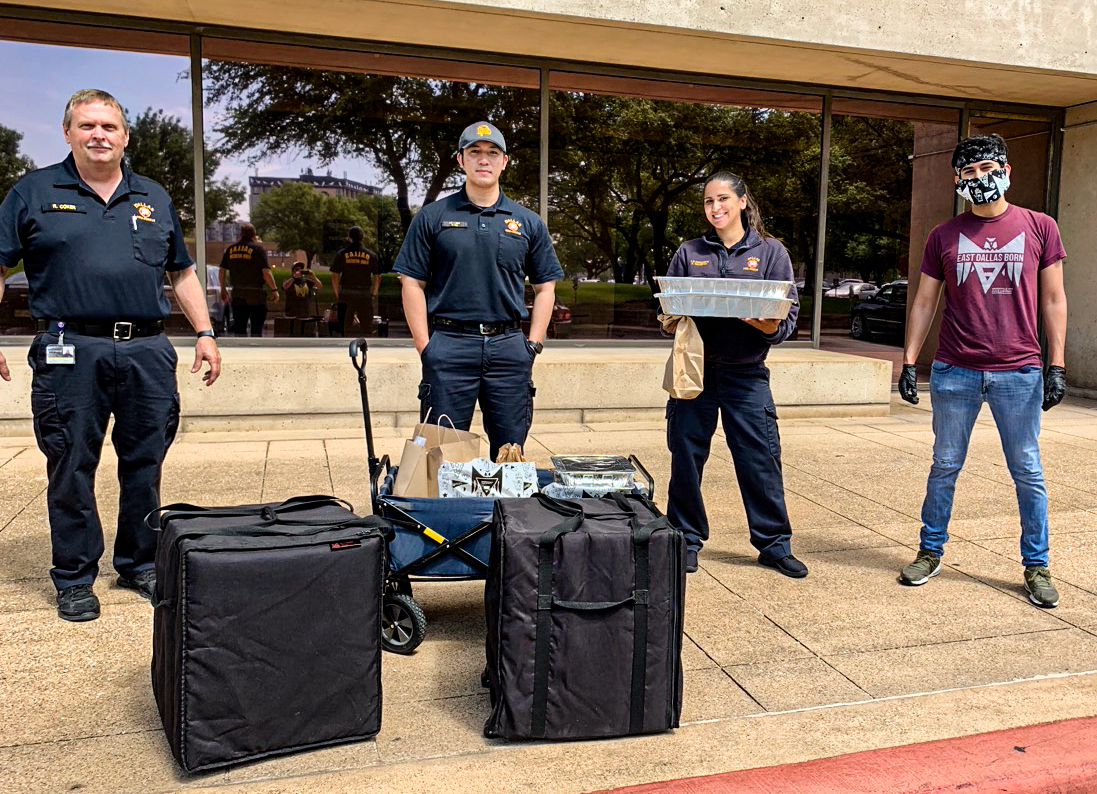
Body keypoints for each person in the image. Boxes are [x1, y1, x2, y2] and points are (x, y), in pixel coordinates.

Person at [0, 89, 222, 622]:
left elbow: (182, 273)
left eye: (109, 126)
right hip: (69, 347)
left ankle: (139, 561)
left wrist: (206, 331)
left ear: (125, 135)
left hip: (146, 348)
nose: (99, 134)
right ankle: (75, 575)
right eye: (87, 125)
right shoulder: (31, 193)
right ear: (69, 132)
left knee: (145, 461)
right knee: (72, 461)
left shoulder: (153, 196)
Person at [898, 133, 1068, 608]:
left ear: (1007, 171)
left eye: (989, 168)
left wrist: (1057, 364)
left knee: (1028, 470)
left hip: (1020, 370)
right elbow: (926, 300)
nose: (981, 178)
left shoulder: (1039, 226)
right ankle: (930, 551)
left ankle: (1037, 565)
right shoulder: (943, 235)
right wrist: (910, 361)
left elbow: (1054, 298)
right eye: (969, 173)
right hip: (956, 370)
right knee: (946, 464)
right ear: (957, 180)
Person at [393, 121, 563, 462]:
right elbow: (411, 282)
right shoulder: (433, 216)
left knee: (510, 453)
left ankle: (505, 516)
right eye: (475, 153)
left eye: (492, 153)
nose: (483, 160)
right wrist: (426, 347)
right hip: (450, 347)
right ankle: (445, 517)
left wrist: (533, 345)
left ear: (505, 161)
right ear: (461, 160)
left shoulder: (527, 221)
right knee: (441, 454)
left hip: (509, 350)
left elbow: (546, 287)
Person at [663, 171, 804, 577]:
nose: (715, 208)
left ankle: (773, 544)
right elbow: (669, 313)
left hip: (747, 375)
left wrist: (768, 326)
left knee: (760, 459)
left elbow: (788, 317)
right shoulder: (690, 252)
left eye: (723, 199)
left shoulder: (771, 252)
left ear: (743, 201)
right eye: (708, 201)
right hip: (695, 373)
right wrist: (671, 316)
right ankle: (685, 539)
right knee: (686, 458)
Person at [220, 222, 278, 336]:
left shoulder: (231, 249)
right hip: (256, 295)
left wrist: (223, 288)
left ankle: (240, 351)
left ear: (240, 234)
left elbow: (222, 271)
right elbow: (266, 272)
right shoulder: (257, 249)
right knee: (256, 329)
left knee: (239, 328)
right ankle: (255, 352)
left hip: (238, 294)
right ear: (254, 234)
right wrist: (274, 290)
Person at [330, 226, 381, 335]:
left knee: (345, 326)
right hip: (364, 293)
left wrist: (338, 293)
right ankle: (365, 347)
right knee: (366, 327)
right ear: (363, 237)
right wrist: (374, 293)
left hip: (347, 292)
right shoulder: (371, 255)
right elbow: (377, 276)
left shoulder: (342, 254)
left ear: (349, 238)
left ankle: (345, 348)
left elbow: (335, 275)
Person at [282, 260, 322, 335]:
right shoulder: (289, 280)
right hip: (291, 313)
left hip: (304, 313)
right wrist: (294, 277)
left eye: (301, 269)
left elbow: (319, 286)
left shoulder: (307, 281)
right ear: (293, 271)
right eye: (297, 269)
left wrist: (313, 276)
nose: (299, 271)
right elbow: (284, 287)